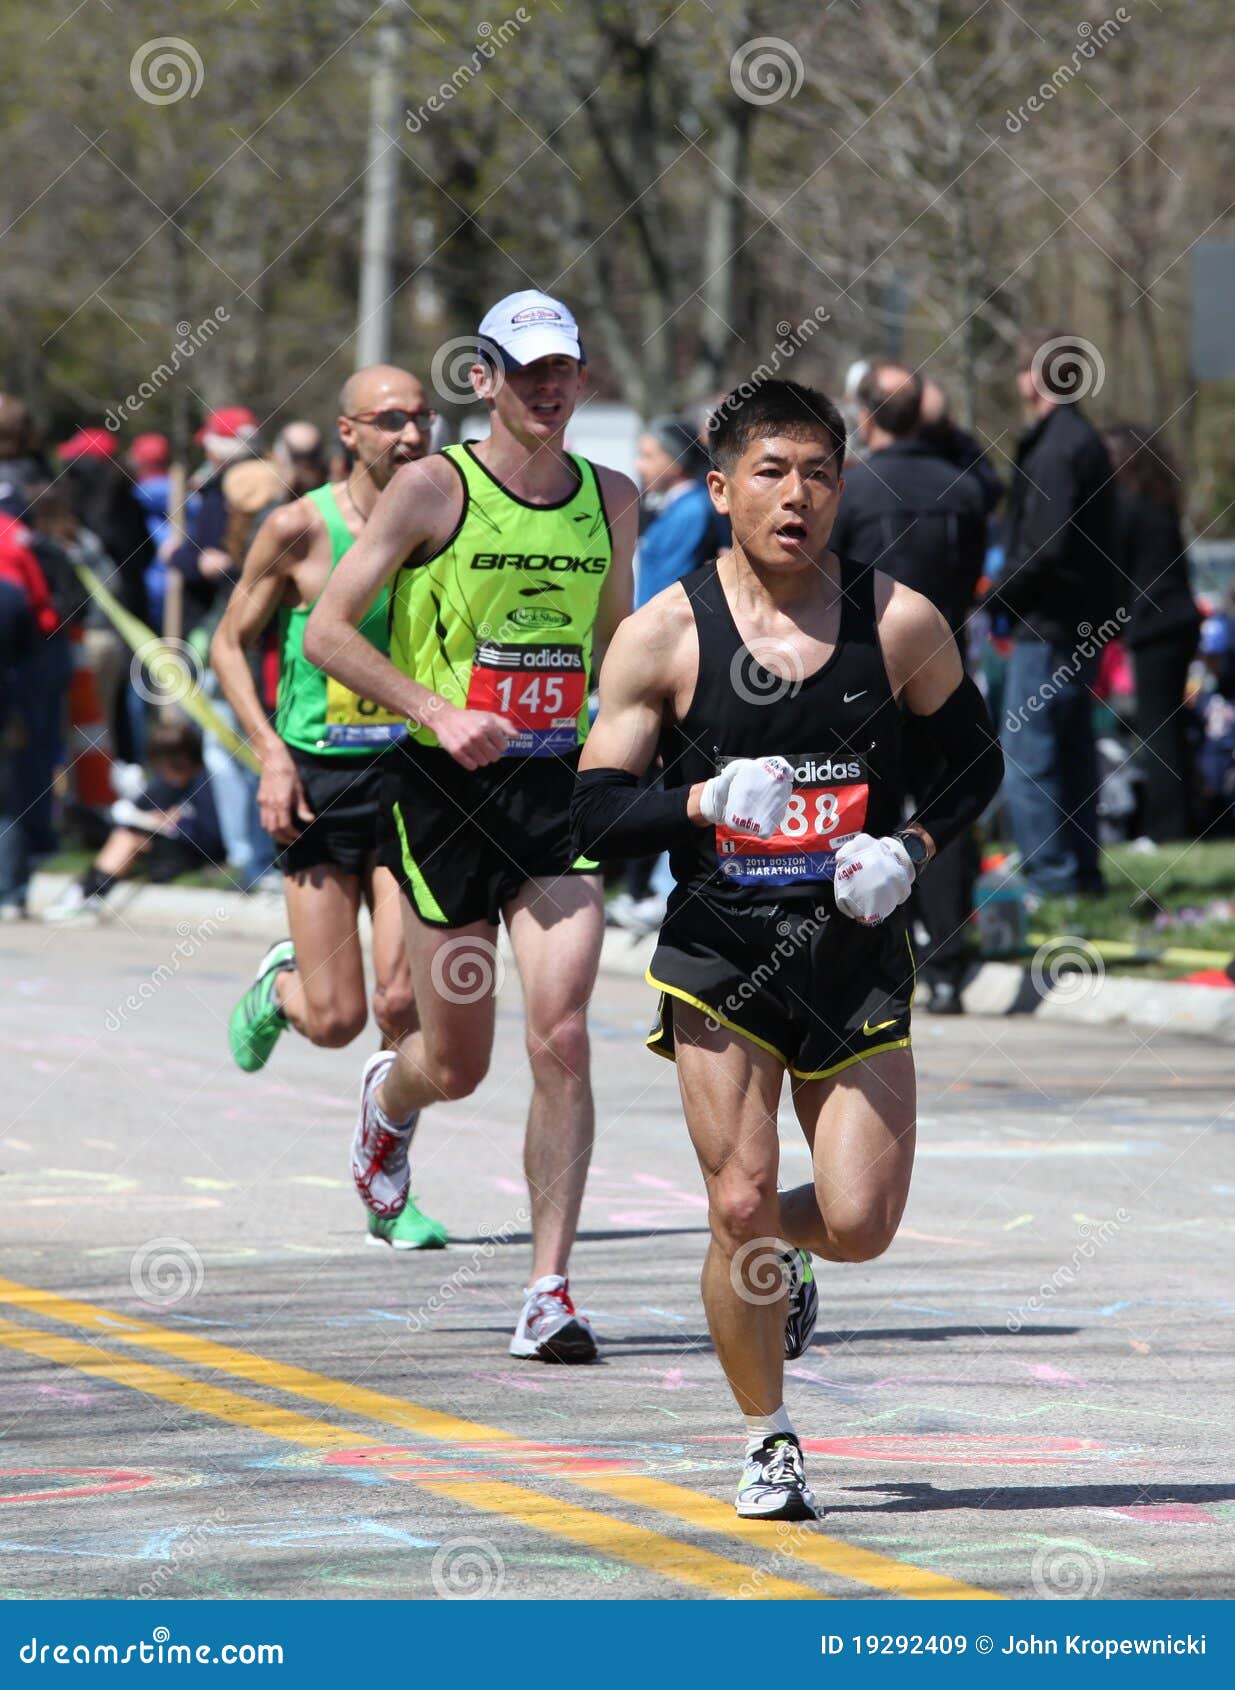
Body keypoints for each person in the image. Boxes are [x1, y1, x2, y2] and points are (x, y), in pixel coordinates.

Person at [571, 378, 1003, 1518]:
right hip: (722, 954)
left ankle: (782, 1255)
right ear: (719, 491)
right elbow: (591, 814)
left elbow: (974, 763)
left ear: (840, 485)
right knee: (737, 1203)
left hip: (851, 952)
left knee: (858, 1221)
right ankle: (766, 1434)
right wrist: (704, 798)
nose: (794, 496)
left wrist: (907, 847)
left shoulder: (895, 620)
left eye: (816, 472)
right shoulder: (662, 634)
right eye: (769, 472)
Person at [305, 289, 636, 1359]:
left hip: (555, 799)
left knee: (564, 1032)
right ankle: (391, 1105)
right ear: (482, 376)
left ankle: (548, 1289)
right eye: (523, 369)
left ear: (582, 379)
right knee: (456, 1064)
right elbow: (326, 633)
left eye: (563, 370)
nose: (547, 388)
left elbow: (620, 647)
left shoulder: (611, 498)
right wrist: (437, 711)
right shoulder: (431, 489)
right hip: (444, 795)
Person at [211, 365, 441, 1248]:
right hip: (315, 782)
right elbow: (230, 643)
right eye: (390, 421)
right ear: (347, 431)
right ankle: (280, 987)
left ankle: (388, 1187)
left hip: (409, 782)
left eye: (422, 418)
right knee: (338, 1016)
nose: (412, 436)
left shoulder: (440, 518)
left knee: (400, 1000)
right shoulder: (300, 525)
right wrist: (269, 752)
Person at [830, 362, 989, 1013]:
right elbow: (978, 569)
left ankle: (866, 949)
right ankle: (946, 962)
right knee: (944, 805)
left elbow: (829, 578)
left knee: (865, 807)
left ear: (864, 419)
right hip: (945, 663)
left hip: (866, 671)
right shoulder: (966, 488)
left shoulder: (853, 489)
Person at [981, 329, 1116, 897]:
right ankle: (1079, 874)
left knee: (1030, 753)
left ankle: (1051, 877)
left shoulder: (1059, 446)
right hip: (1072, 620)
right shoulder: (1076, 439)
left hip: (1050, 622)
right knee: (1070, 749)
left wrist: (993, 593)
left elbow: (1045, 545)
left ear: (1034, 378)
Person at [611, 416, 730, 935]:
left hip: (671, 650)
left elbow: (677, 582)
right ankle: (646, 886)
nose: (640, 465)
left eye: (648, 454)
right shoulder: (675, 507)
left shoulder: (696, 509)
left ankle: (657, 888)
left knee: (668, 770)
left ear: (675, 459)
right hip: (651, 643)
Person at [1104, 424, 1201, 843]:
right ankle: (1187, 816)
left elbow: (1115, 570)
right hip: (1177, 621)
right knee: (1172, 728)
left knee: (1157, 731)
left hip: (1156, 627)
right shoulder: (1159, 504)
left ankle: (1166, 829)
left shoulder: (1126, 506)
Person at [44, 720, 223, 921]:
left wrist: (177, 824)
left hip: (193, 850)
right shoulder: (166, 782)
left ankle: (85, 895)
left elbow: (212, 835)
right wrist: (155, 818)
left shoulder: (208, 784)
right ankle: (84, 893)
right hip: (163, 841)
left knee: (128, 838)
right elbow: (138, 809)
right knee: (114, 828)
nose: (167, 773)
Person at [0, 576, 37, 920]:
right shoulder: (11, 595)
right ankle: (11, 893)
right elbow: (28, 661)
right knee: (7, 810)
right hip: (5, 712)